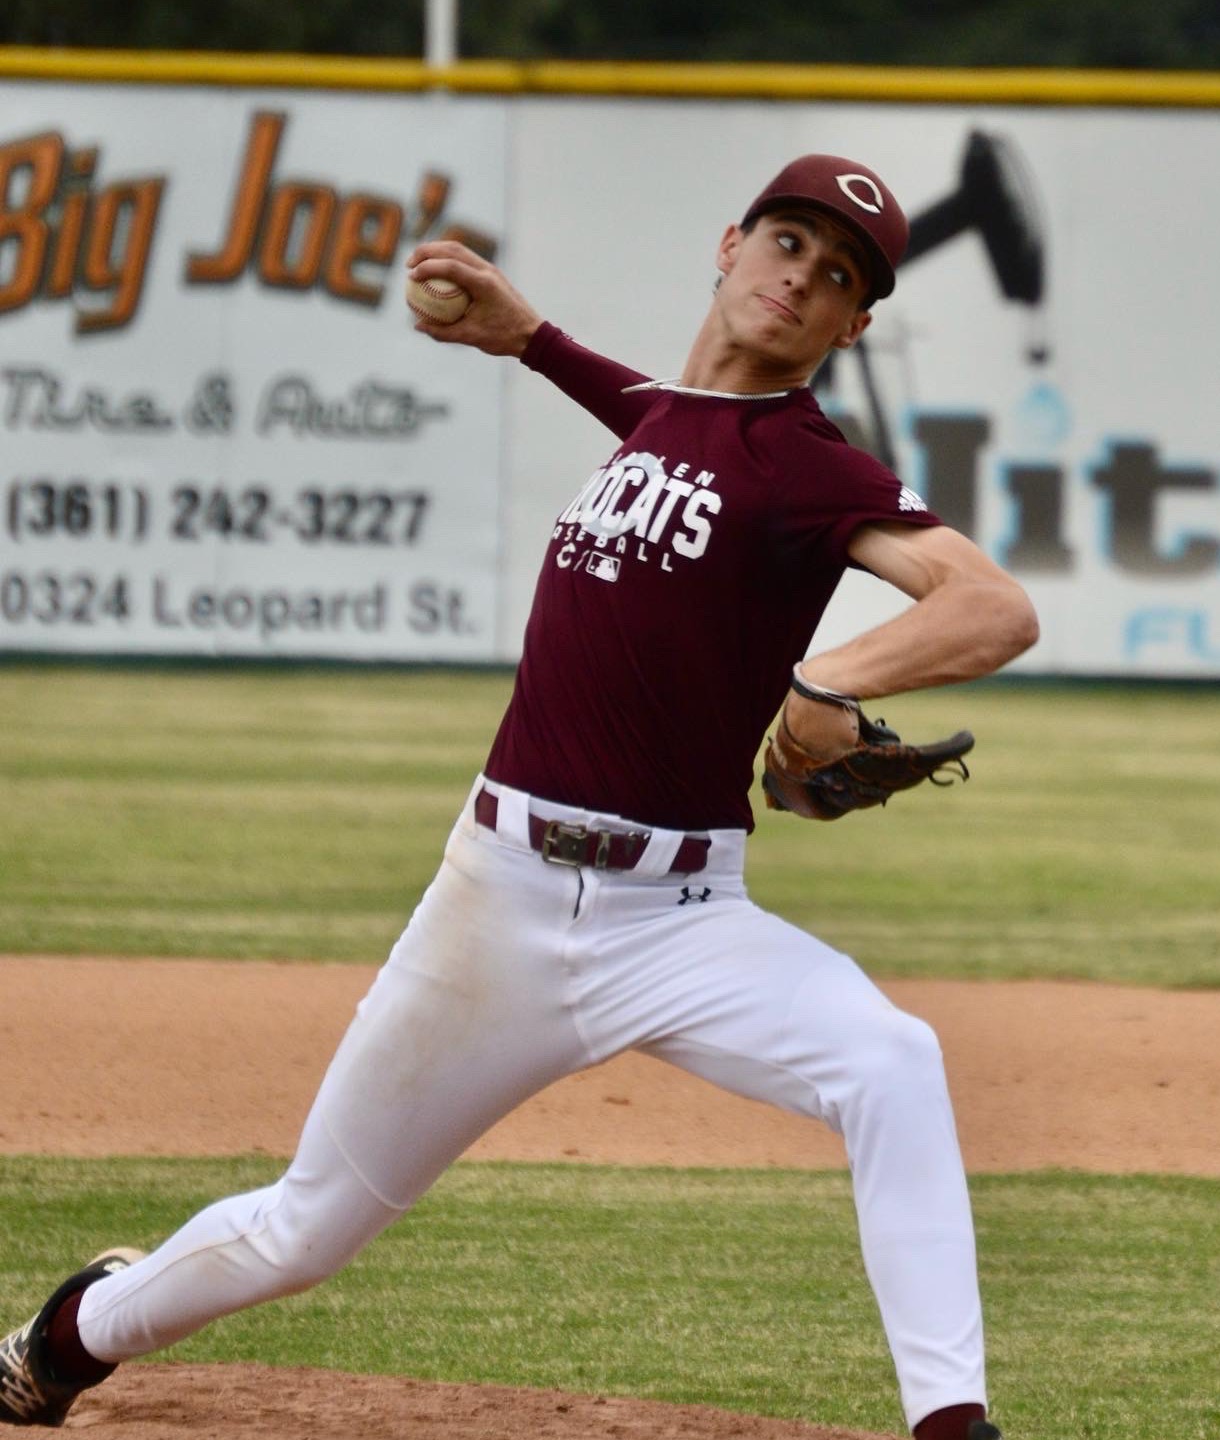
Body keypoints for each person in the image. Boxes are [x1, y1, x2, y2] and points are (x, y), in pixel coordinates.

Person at [0, 154, 1037, 1440]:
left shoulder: (809, 467)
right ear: (729, 246)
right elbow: (661, 414)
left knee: (894, 1061)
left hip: (682, 922)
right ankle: (67, 1335)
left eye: (837, 278)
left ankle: (953, 1425)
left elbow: (993, 605)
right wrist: (531, 340)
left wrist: (826, 672)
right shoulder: (668, 422)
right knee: (306, 1228)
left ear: (852, 326)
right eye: (787, 242)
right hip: (496, 903)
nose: (801, 279)